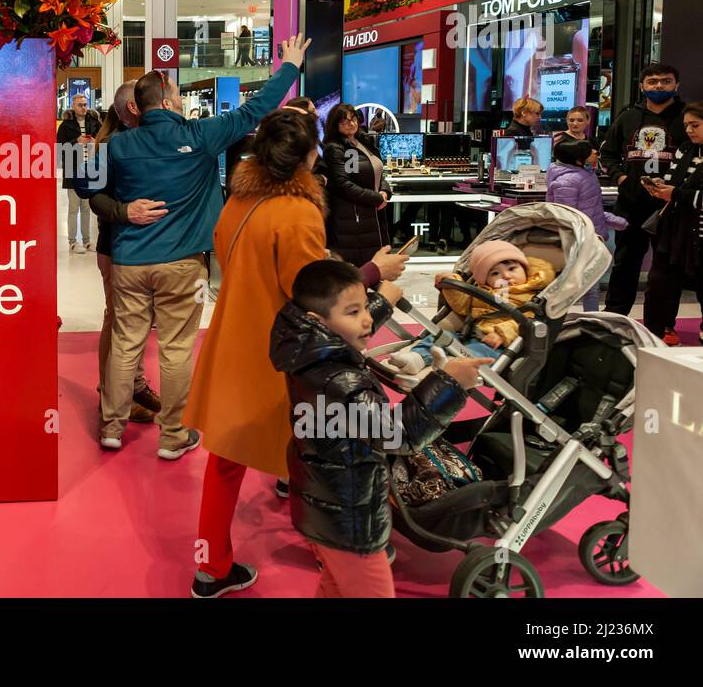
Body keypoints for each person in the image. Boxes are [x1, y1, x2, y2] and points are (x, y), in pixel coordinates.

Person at [185, 108, 408, 597]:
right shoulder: (299, 212)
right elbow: (316, 295)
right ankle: (349, 549)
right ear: (310, 156)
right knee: (326, 454)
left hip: (234, 342)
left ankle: (211, 568)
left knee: (226, 460)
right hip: (286, 354)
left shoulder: (237, 202)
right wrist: (374, 273)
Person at [90, 34, 308, 462]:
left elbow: (94, 196)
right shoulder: (203, 134)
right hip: (183, 264)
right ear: (169, 101)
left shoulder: (117, 144)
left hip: (129, 262)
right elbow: (255, 109)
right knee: (175, 348)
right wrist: (290, 66)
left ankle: (111, 428)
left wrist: (124, 210)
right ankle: (172, 436)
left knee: (125, 343)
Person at [271, 259, 486, 597]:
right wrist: (450, 385)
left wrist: (379, 302)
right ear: (318, 322)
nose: (367, 319)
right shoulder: (342, 381)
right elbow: (396, 434)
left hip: (324, 504)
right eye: (354, 312)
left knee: (336, 586)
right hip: (352, 519)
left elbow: (339, 329)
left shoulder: (306, 351)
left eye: (365, 307)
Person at [84, 82, 166, 427]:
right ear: (135, 108)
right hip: (117, 246)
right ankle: (113, 394)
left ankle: (128, 386)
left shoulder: (128, 141)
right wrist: (126, 212)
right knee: (118, 320)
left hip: (133, 247)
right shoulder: (112, 146)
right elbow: (95, 199)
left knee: (128, 322)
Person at [386, 240, 557, 374]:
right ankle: (416, 358)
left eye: (512, 268)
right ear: (484, 279)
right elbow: (461, 306)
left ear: (525, 269)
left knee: (476, 351)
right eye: (495, 273)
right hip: (468, 334)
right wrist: (451, 283)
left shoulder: (528, 295)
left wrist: (501, 333)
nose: (506, 276)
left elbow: (528, 320)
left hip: (499, 344)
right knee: (441, 336)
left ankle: (451, 367)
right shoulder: (482, 290)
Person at [600, 63, 686, 323]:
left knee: (666, 270)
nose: (659, 86)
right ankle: (614, 317)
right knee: (625, 263)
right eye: (653, 81)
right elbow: (608, 153)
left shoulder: (687, 117)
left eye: (665, 81)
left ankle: (663, 324)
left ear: (676, 85)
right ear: (642, 86)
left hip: (669, 207)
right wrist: (622, 177)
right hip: (631, 203)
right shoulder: (627, 117)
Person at [639, 101, 703, 342]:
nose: (688, 130)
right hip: (673, 231)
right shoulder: (686, 149)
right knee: (657, 284)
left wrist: (674, 193)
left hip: (699, 234)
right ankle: (653, 334)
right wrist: (659, 187)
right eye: (686, 125)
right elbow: (672, 180)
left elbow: (679, 191)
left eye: (695, 125)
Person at [546, 138, 626, 311]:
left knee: (591, 286)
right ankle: (555, 323)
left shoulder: (584, 175)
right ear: (577, 158)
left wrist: (614, 221)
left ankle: (591, 320)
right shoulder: (567, 181)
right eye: (590, 151)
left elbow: (590, 209)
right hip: (577, 242)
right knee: (570, 287)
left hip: (590, 238)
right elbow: (566, 217)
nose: (595, 153)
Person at [322, 103, 391, 266]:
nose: (350, 123)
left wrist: (385, 191)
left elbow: (378, 172)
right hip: (353, 216)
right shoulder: (337, 148)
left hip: (372, 212)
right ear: (335, 125)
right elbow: (344, 184)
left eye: (352, 119)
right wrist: (376, 198)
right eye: (344, 121)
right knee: (361, 267)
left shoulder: (363, 142)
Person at [56, 93, 101, 254]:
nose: (83, 107)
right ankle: (73, 242)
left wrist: (97, 141)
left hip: (91, 171)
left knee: (87, 208)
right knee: (73, 208)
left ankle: (88, 241)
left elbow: (105, 141)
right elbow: (59, 147)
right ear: (73, 107)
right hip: (73, 171)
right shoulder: (65, 125)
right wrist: (76, 141)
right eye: (80, 105)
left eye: (85, 104)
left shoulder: (95, 123)